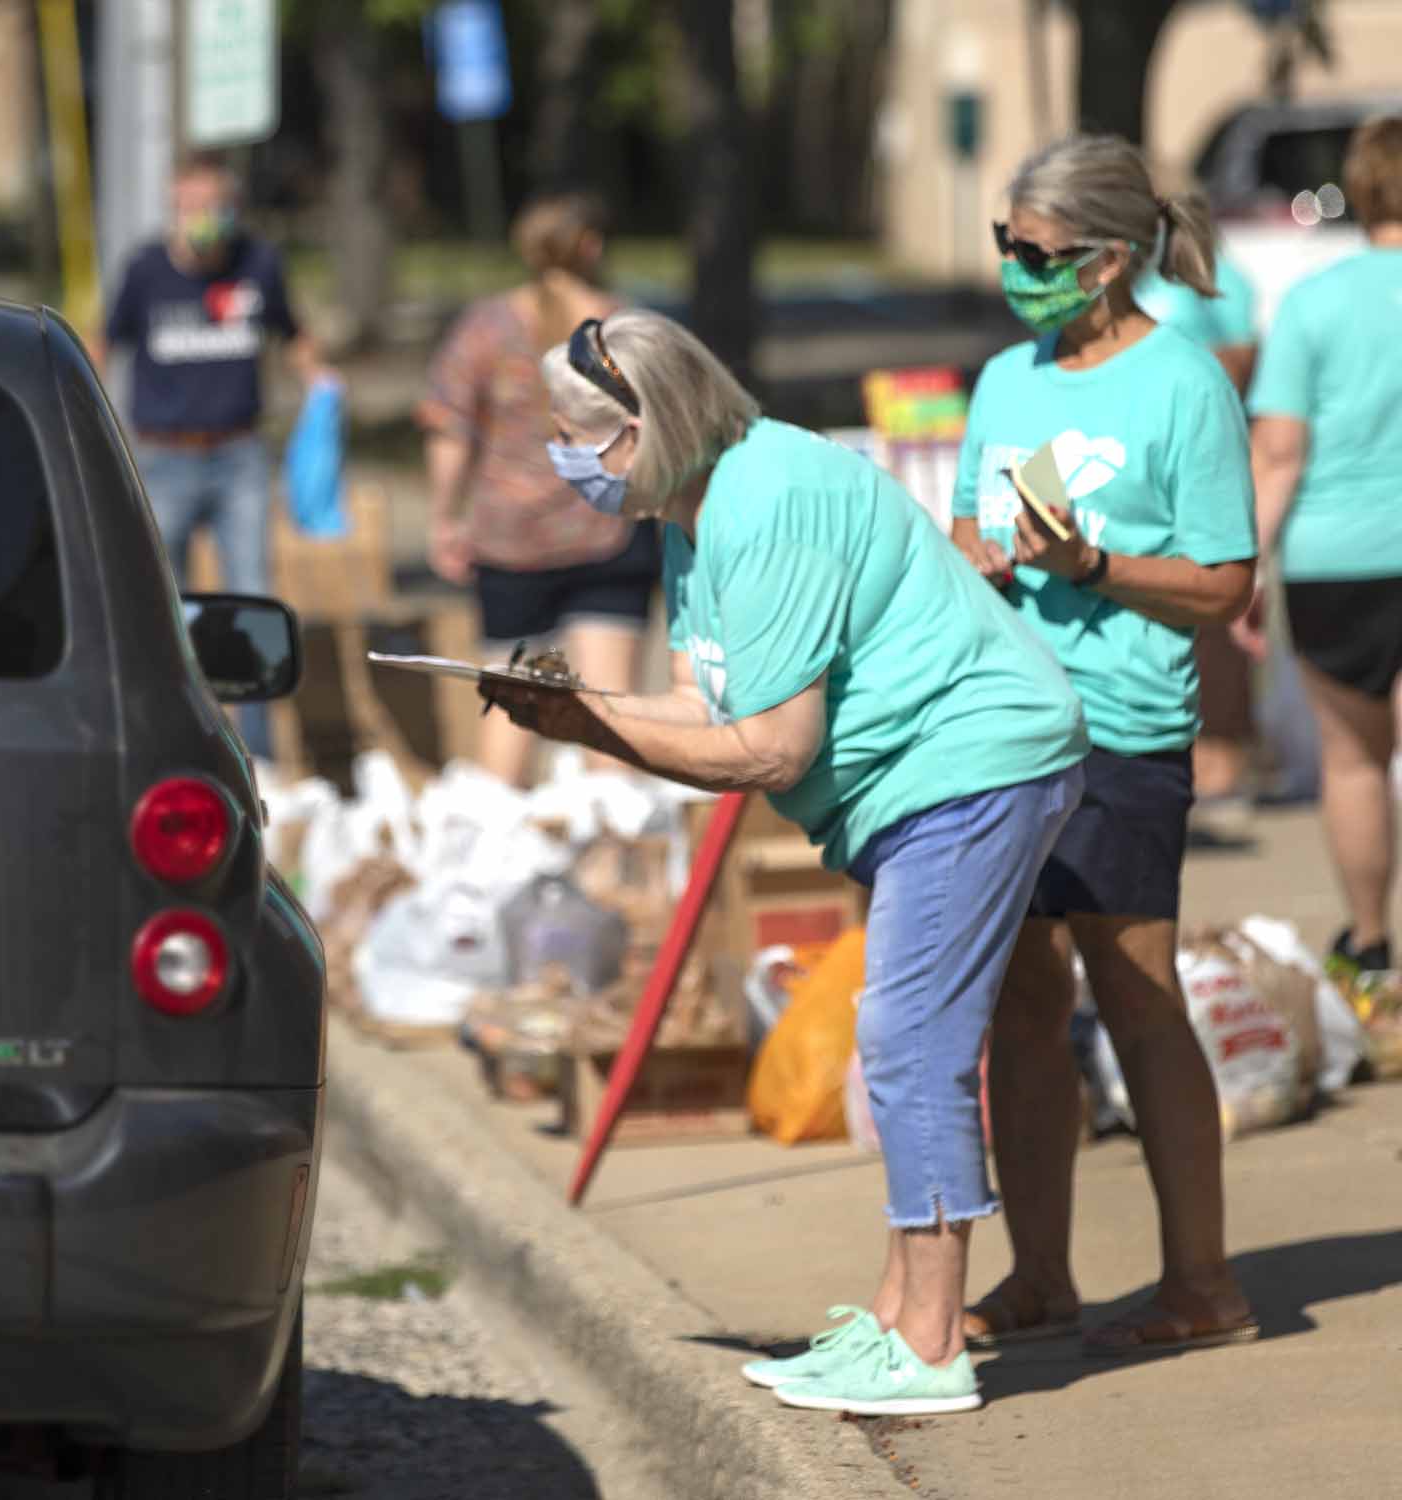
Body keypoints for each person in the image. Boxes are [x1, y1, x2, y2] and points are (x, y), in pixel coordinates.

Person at [496, 310, 1088, 1416]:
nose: (566, 459)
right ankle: (897, 1315)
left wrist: (589, 729)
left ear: (648, 424)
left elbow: (768, 747)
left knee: (909, 1042)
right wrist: (576, 709)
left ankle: (927, 1346)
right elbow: (698, 703)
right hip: (920, 776)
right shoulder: (690, 508)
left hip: (966, 765)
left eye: (583, 436)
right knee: (913, 1035)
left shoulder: (765, 499)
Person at [948, 134, 1258, 1354]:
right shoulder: (1002, 381)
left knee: (1135, 995)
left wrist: (1093, 566)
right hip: (1001, 728)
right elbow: (981, 523)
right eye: (1003, 245)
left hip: (1120, 732)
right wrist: (977, 553)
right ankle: (1040, 1275)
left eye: (1032, 251)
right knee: (1019, 1006)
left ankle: (1205, 1285)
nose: (1013, 268)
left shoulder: (1182, 384)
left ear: (1107, 259)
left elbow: (1225, 584)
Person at [1236, 115, 1402, 991]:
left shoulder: (1311, 303)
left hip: (1336, 559)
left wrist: (1247, 569)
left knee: (1354, 763)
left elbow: (1278, 454)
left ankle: (1372, 948)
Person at [416, 194, 658, 786]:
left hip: (509, 541)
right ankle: (611, 862)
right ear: (591, 247)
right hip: (611, 532)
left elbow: (448, 429)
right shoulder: (624, 328)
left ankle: (501, 857)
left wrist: (445, 519)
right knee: (608, 710)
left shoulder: (487, 327)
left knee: (512, 709)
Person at [94, 152, 328, 758]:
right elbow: (105, 343)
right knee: (160, 608)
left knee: (251, 604)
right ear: (174, 212)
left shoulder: (258, 263)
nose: (205, 220)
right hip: (165, 458)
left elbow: (292, 331)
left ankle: (259, 756)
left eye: (215, 208)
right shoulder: (145, 271)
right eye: (193, 209)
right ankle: (167, 742)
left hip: (240, 458)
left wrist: (322, 385)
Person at [1137, 240, 1264, 845]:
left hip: (1198, 465)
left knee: (1216, 615)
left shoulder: (1217, 274)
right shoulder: (1115, 276)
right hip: (1140, 472)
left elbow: (1241, 361)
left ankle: (1224, 761)